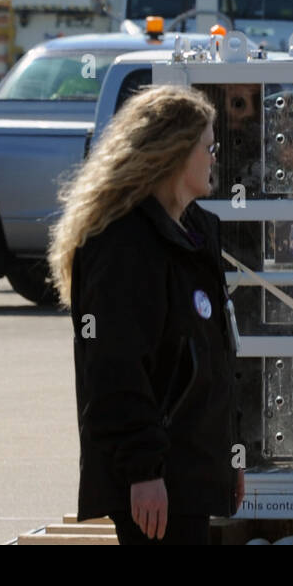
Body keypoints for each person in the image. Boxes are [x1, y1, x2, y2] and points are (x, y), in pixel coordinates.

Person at [49, 85, 243, 545]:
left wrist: (230, 456)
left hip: (193, 470)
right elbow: (115, 372)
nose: (215, 158)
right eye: (207, 147)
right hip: (155, 481)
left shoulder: (195, 232)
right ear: (174, 153)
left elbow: (214, 357)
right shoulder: (123, 247)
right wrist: (143, 471)